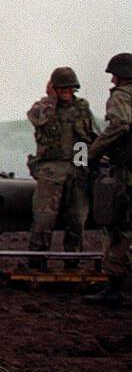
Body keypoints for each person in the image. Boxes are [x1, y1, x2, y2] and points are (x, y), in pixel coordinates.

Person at [25, 66, 96, 267]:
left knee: (77, 218)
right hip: (50, 169)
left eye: (70, 88)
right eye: (62, 88)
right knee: (44, 218)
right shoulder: (42, 107)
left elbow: (87, 138)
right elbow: (37, 118)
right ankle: (37, 263)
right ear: (54, 88)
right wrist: (50, 99)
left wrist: (84, 167)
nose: (66, 92)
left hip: (77, 169)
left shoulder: (82, 108)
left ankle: (73, 262)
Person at [83, 53, 132, 306]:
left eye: (114, 74)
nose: (112, 80)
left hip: (126, 174)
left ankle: (114, 287)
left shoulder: (122, 96)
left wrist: (92, 153)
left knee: (116, 227)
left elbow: (120, 125)